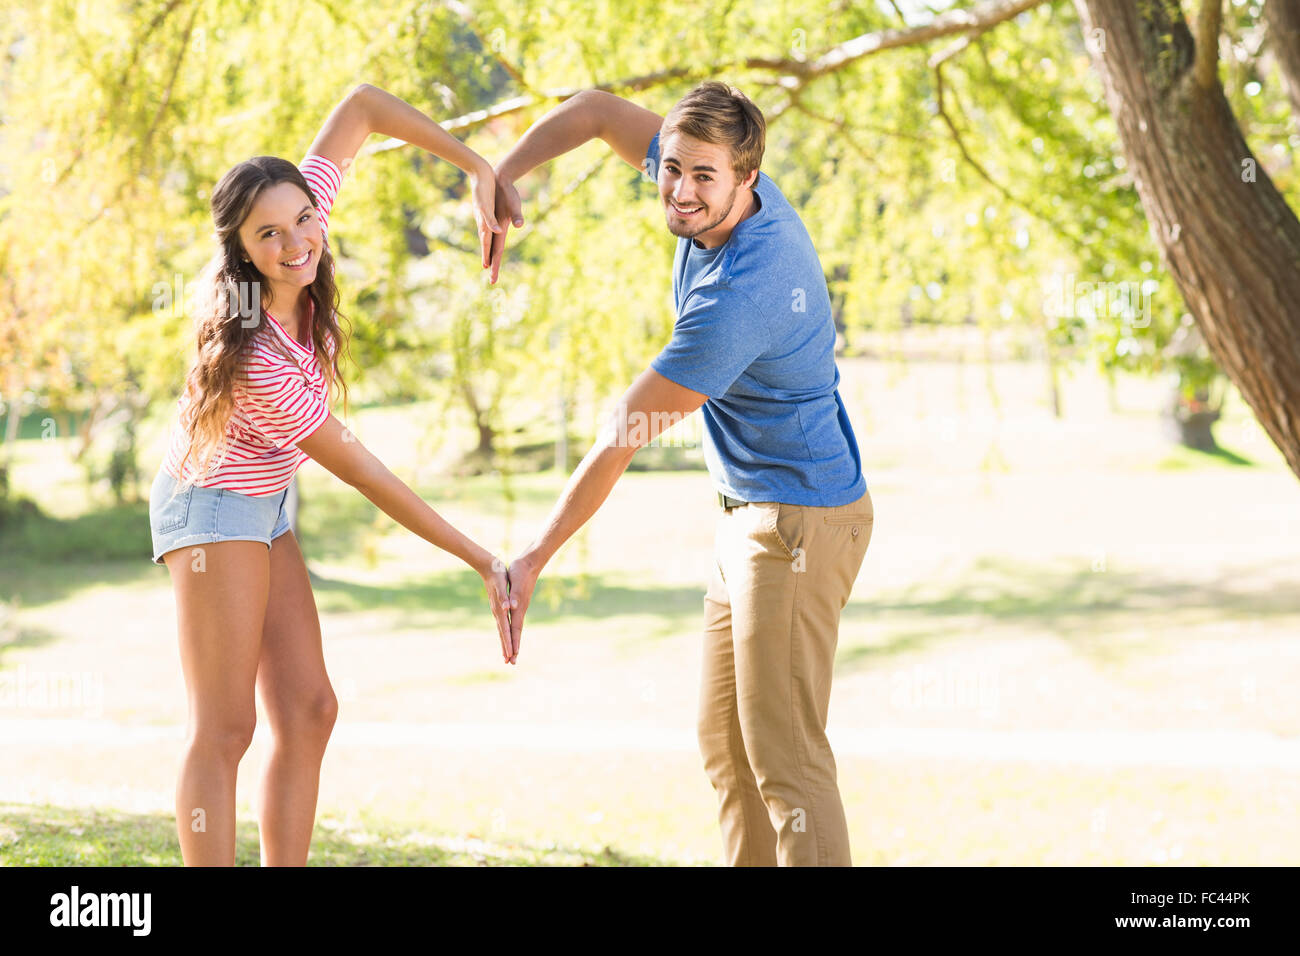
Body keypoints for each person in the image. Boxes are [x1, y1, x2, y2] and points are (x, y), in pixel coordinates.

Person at [488, 82, 873, 866]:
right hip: (747, 518)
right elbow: (595, 111)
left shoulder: (739, 297)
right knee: (728, 754)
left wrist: (532, 559)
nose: (682, 191)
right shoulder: (709, 185)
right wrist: (505, 172)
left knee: (787, 762)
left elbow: (620, 436)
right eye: (671, 170)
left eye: (704, 176)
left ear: (746, 178)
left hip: (797, 523)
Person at [148, 83, 517, 866]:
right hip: (213, 510)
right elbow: (368, 474)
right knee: (225, 728)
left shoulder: (306, 216)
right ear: (241, 250)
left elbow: (360, 107)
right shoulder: (257, 356)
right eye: (269, 235)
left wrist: (474, 164)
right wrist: (481, 556)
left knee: (310, 708)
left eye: (303, 219)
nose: (296, 243)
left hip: (265, 501)